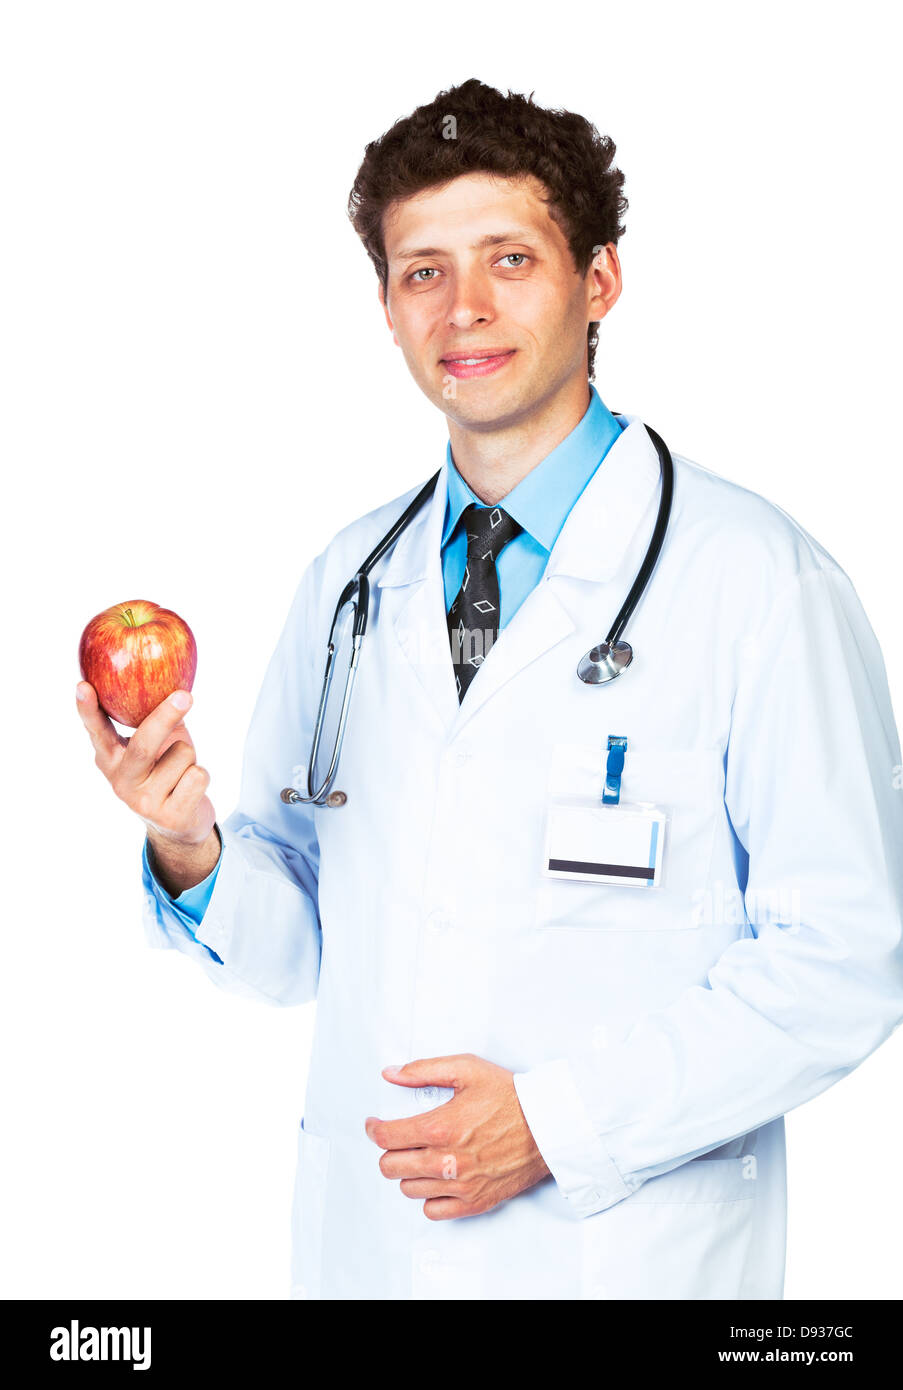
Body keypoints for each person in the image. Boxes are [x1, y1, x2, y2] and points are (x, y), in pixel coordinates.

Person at [76, 77, 903, 1300]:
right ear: (386, 304)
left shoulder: (757, 581)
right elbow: (301, 941)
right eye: (423, 271)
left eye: (510, 258)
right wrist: (190, 843)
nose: (464, 308)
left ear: (600, 282)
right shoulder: (350, 583)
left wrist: (560, 1122)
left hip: (628, 1258)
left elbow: (848, 956)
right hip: (367, 1251)